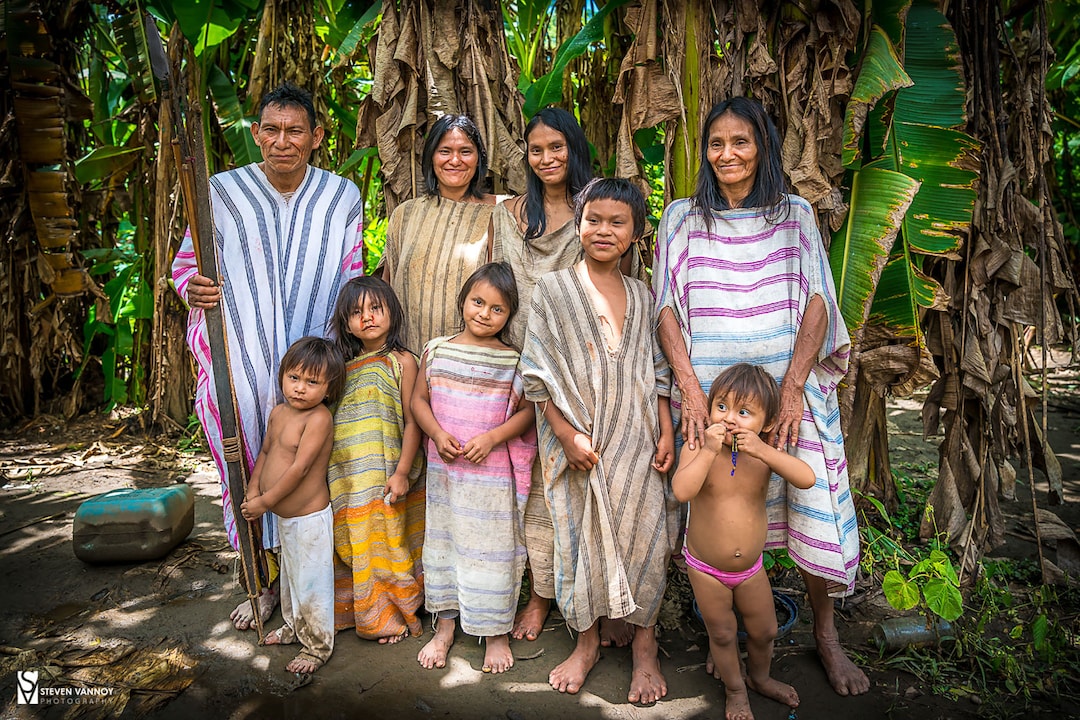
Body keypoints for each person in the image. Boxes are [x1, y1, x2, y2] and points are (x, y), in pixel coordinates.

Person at [652, 96, 869, 696]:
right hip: (713, 406)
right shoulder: (681, 217)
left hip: (784, 400)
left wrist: (795, 386)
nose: (727, 155)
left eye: (740, 142)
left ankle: (825, 634)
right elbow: (666, 307)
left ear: (762, 147)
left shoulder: (794, 214)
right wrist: (692, 393)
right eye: (716, 143)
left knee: (812, 503)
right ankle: (725, 637)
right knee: (720, 508)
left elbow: (820, 300)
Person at [172, 83, 364, 631]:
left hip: (312, 359)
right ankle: (256, 570)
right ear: (256, 133)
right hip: (243, 353)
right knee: (247, 454)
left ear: (317, 137)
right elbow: (189, 265)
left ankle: (301, 583)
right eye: (271, 130)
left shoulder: (341, 195)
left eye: (295, 130)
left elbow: (351, 272)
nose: (283, 142)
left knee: (308, 462)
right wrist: (195, 289)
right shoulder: (222, 192)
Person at [520, 178, 678, 704]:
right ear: (580, 224)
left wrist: (668, 430)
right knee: (578, 542)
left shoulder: (643, 293)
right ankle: (585, 644)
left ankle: (645, 650)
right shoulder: (552, 289)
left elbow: (658, 372)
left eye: (618, 222)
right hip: (578, 445)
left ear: (636, 232)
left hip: (637, 441)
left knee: (647, 540)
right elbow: (537, 374)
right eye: (594, 220)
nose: (604, 230)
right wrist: (564, 437)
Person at [411, 262, 537, 674]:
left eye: (496, 308)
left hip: (491, 479)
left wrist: (493, 437)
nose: (484, 313)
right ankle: (445, 627)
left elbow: (528, 414)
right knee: (444, 543)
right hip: (446, 476)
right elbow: (418, 401)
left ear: (509, 315)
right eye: (477, 302)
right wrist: (436, 433)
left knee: (494, 551)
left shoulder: (513, 361)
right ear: (462, 301)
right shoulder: (437, 350)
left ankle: (495, 632)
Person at [672, 363, 815, 720]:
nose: (730, 418)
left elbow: (807, 479)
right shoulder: (697, 445)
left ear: (766, 423)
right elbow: (681, 491)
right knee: (722, 634)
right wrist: (706, 451)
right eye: (722, 407)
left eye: (744, 412)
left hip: (751, 568)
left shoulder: (765, 453)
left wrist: (764, 452)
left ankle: (760, 678)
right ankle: (735, 690)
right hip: (705, 568)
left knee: (764, 630)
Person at [326, 277, 425, 644]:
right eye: (356, 312)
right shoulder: (340, 366)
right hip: (346, 475)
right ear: (346, 322)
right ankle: (361, 612)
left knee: (389, 542)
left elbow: (413, 419)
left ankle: (395, 615)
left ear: (391, 312)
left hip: (385, 472)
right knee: (354, 543)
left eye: (375, 309)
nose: (366, 318)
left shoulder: (402, 361)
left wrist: (401, 472)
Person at [239, 337, 345, 674]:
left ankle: (317, 646)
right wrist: (253, 489)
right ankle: (292, 626)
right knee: (290, 580)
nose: (300, 388)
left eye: (312, 382)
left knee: (311, 584)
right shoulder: (279, 413)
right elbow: (267, 452)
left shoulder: (319, 419)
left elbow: (299, 469)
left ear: (328, 389)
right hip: (286, 519)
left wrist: (266, 501)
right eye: (294, 378)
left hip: (309, 520)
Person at [379, 114, 500, 354]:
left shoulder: (499, 213)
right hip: (408, 359)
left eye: (465, 151)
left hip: (472, 361)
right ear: (431, 157)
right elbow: (386, 286)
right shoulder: (405, 214)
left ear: (479, 160)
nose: (455, 160)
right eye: (445, 151)